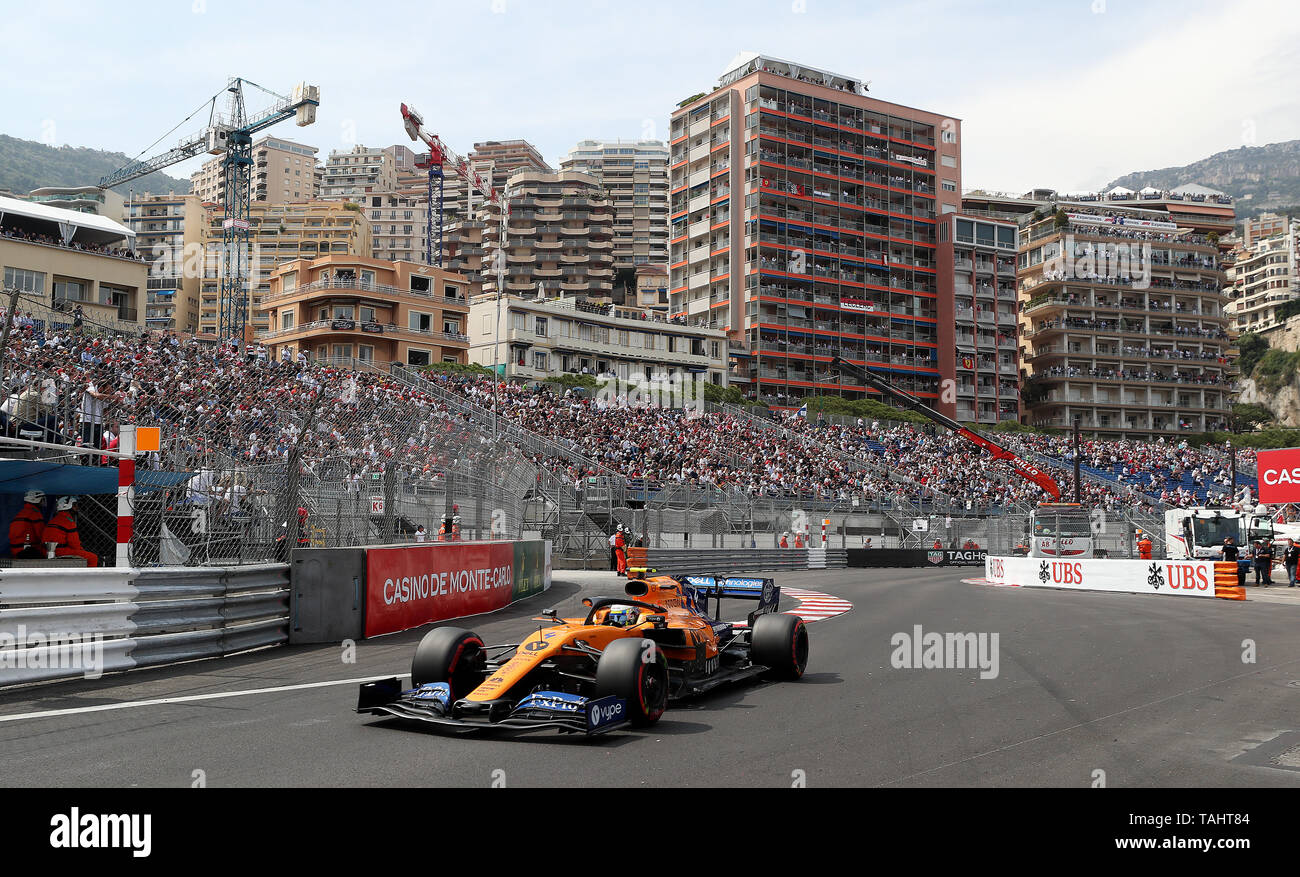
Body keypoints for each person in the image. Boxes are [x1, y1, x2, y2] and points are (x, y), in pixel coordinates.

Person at [41, 496, 98, 567]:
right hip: (60, 551)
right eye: (74, 505)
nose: (77, 508)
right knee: (93, 558)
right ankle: (88, 578)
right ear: (67, 506)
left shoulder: (54, 519)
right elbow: (74, 544)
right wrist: (82, 551)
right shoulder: (68, 521)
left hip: (46, 551)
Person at [8, 490, 48, 559]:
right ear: (36, 499)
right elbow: (41, 534)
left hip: (16, 551)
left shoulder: (21, 513)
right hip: (29, 551)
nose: (42, 502)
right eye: (42, 499)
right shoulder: (35, 513)